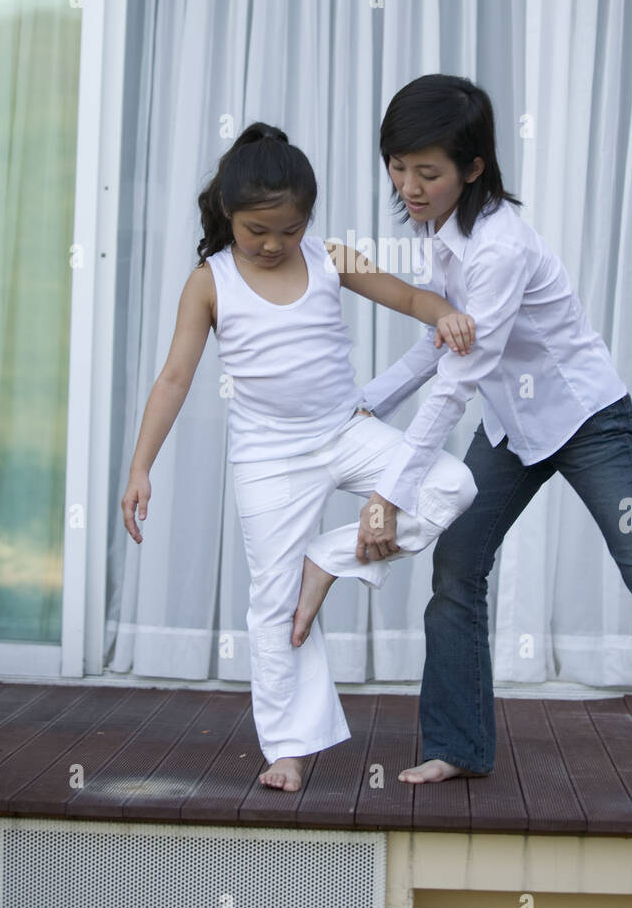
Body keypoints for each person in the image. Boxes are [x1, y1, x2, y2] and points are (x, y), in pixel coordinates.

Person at [295, 76, 632, 811]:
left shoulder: (500, 249)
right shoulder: (440, 233)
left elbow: (456, 381)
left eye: (427, 172)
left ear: (474, 167)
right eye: (398, 167)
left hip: (588, 422)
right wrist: (364, 404)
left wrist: (389, 494)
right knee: (457, 566)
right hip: (514, 428)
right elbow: (438, 345)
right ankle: (457, 746)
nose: (409, 186)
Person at [121, 122, 478, 793]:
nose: (274, 244)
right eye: (258, 230)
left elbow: (406, 295)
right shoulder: (210, 281)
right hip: (269, 459)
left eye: (289, 229)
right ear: (229, 215)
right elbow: (173, 379)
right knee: (273, 601)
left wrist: (444, 314)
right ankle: (287, 746)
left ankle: (330, 559)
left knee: (452, 486)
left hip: (346, 432)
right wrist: (141, 467)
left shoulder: (330, 258)